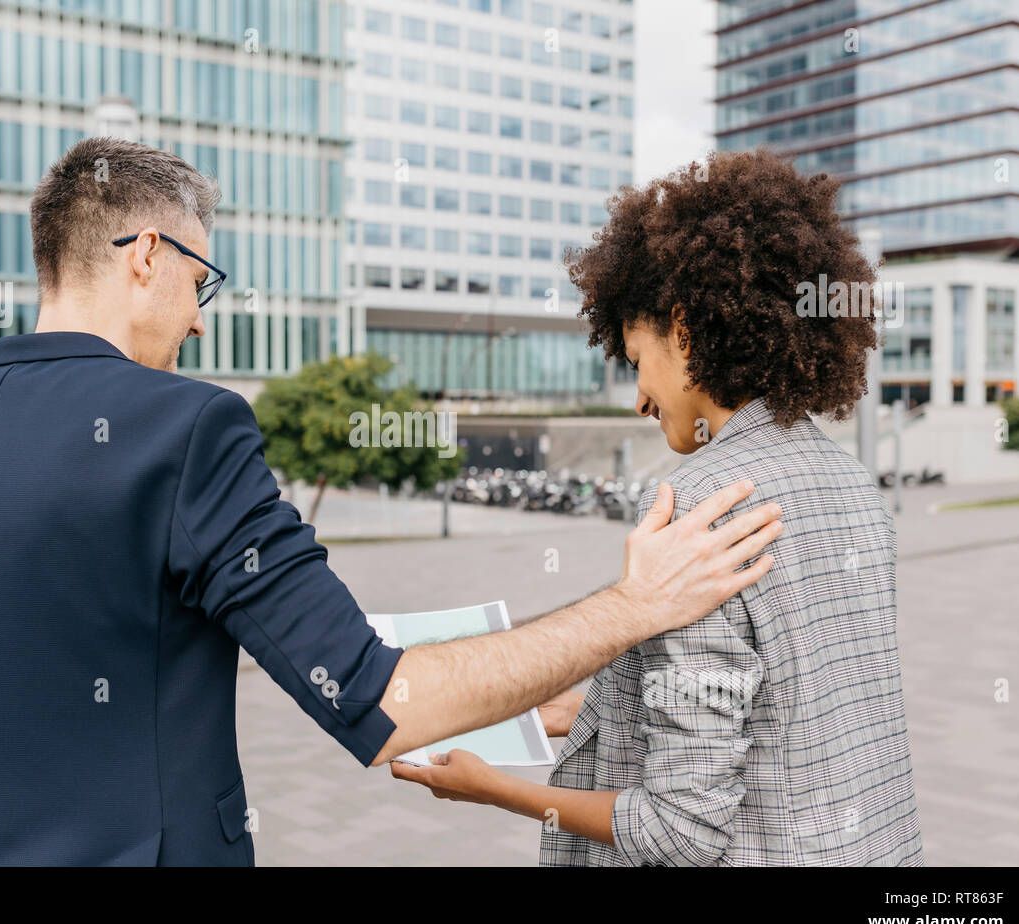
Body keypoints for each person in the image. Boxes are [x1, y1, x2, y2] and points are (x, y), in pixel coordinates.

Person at [0, 137, 782, 866]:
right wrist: (633, 607)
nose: (199, 317)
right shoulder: (186, 429)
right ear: (146, 255)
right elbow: (380, 703)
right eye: (199, 280)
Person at [392, 149, 925, 867]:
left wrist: (497, 790)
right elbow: (770, 710)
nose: (639, 398)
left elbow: (679, 830)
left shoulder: (698, 503)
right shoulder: (854, 484)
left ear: (683, 329)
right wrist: (582, 713)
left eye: (637, 358)